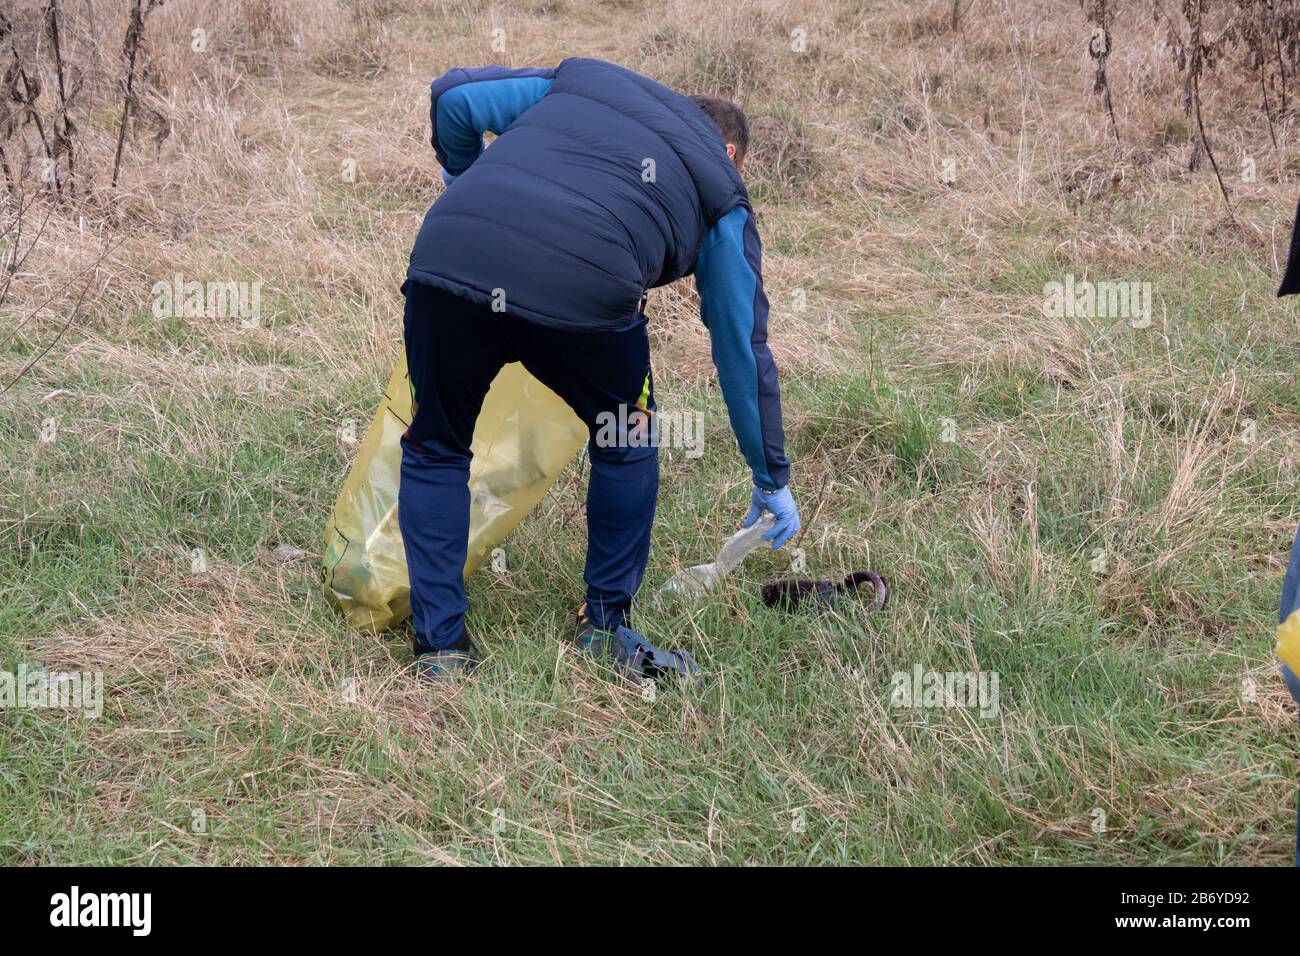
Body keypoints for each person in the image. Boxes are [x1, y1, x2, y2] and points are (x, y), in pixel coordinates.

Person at [398, 58, 799, 681]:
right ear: (728, 149)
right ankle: (604, 626)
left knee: (435, 447)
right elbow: (741, 346)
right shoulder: (722, 187)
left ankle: (442, 651)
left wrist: (462, 180)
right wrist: (770, 475)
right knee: (627, 437)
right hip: (583, 287)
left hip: (447, 259)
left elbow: (453, 98)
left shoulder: (583, 82)